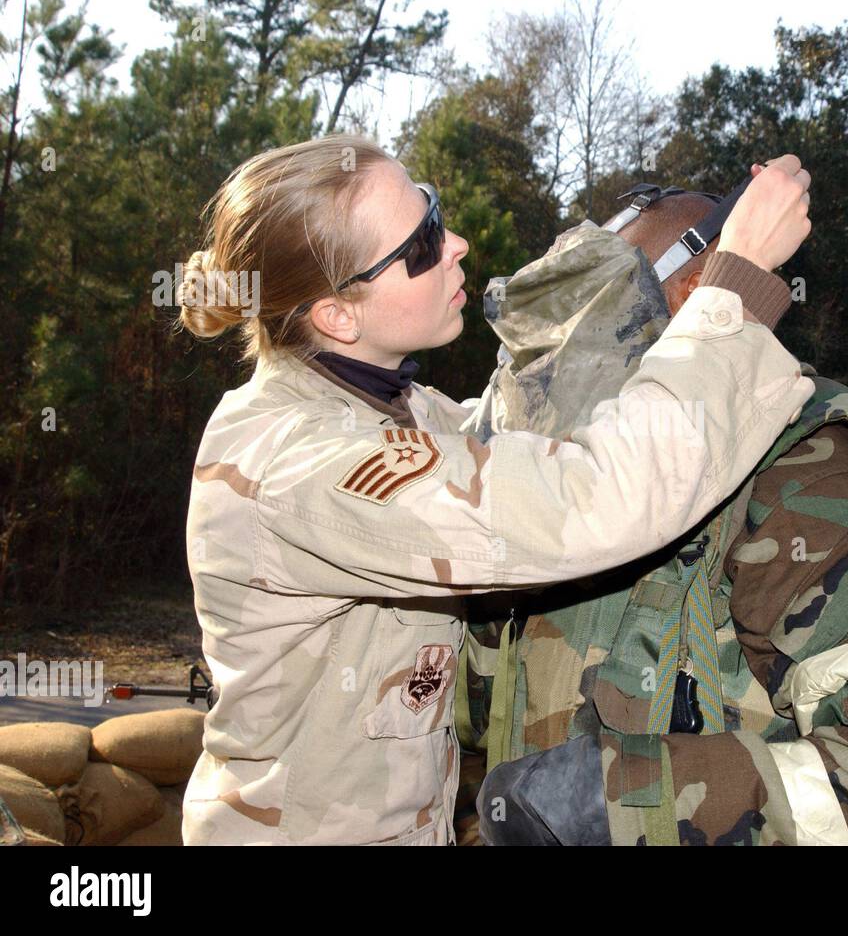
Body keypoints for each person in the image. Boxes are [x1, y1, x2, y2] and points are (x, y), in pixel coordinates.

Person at [173, 134, 815, 845]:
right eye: (419, 245)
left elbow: (521, 432)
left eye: (434, 211)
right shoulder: (302, 462)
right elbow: (593, 499)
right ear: (338, 315)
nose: (458, 243)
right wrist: (737, 280)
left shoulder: (401, 413)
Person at [462, 189, 848, 846]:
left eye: (602, 290)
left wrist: (624, 805)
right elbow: (483, 722)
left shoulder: (814, 466)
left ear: (699, 289)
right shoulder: (579, 476)